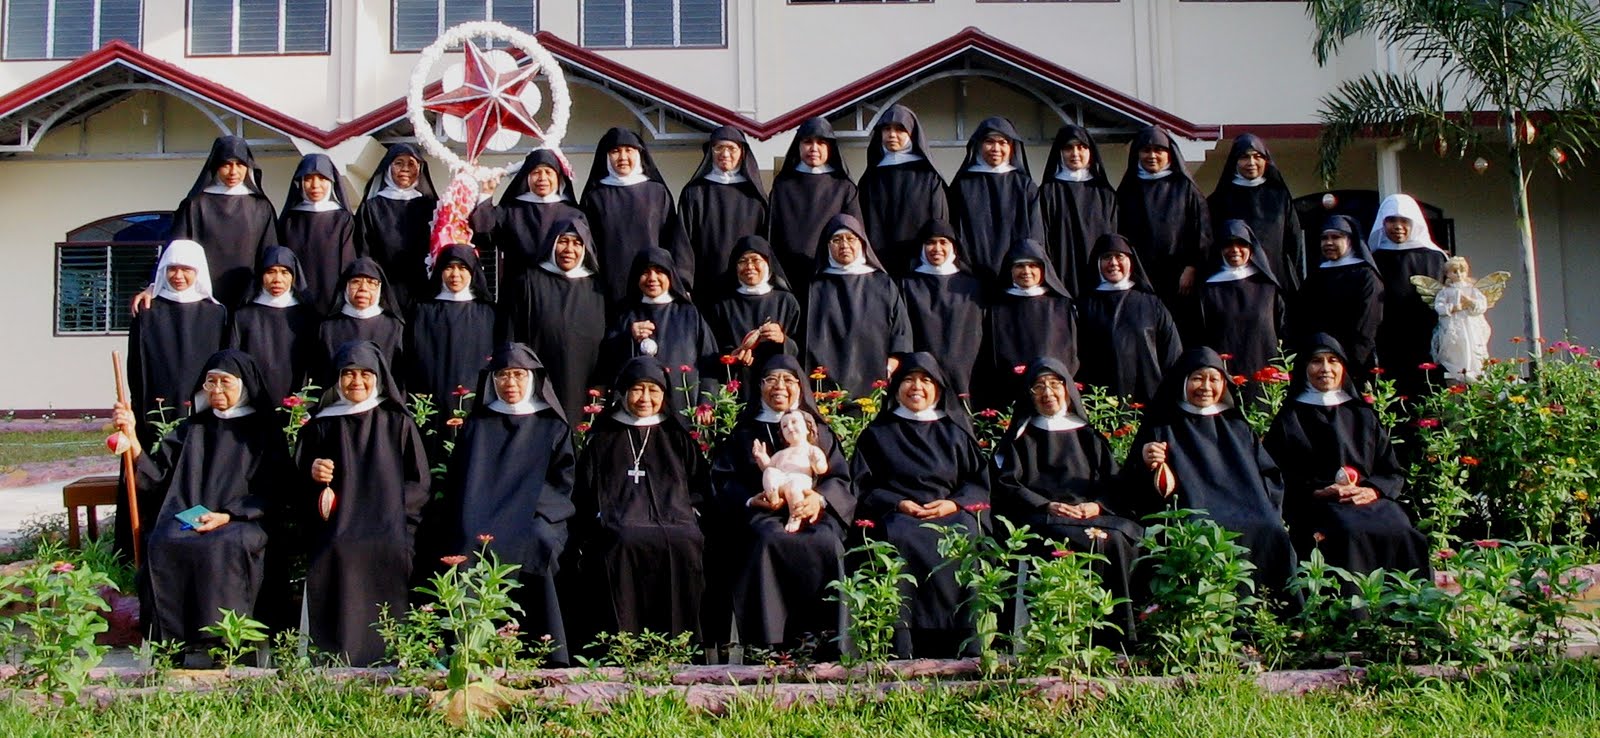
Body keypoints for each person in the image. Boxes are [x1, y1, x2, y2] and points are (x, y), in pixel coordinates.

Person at [112, 350, 287, 645]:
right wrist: (132, 439)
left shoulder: (263, 432)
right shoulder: (191, 429)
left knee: (224, 545)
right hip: (189, 515)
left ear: (244, 385)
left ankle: (230, 642)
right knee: (164, 540)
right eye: (210, 382)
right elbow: (156, 480)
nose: (217, 390)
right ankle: (173, 642)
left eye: (225, 382)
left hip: (244, 520)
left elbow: (277, 488)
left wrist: (228, 515)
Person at [297, 340, 431, 666]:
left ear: (378, 377)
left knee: (389, 545)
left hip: (390, 521)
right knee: (338, 547)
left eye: (365, 374)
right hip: (338, 523)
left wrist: (397, 515)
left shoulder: (398, 423)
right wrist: (312, 471)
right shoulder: (322, 424)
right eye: (348, 374)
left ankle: (391, 652)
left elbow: (419, 482)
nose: (356, 382)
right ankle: (336, 653)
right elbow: (297, 479)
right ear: (337, 379)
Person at [709, 355, 854, 656]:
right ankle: (768, 645)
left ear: (801, 388)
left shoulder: (821, 434)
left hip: (814, 514)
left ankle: (826, 643)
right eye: (771, 380)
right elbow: (723, 482)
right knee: (766, 540)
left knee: (826, 542)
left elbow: (840, 478)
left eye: (788, 380)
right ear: (758, 387)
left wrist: (819, 499)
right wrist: (751, 500)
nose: (780, 387)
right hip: (764, 516)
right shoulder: (744, 434)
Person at [442, 343, 577, 664]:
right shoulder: (476, 427)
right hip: (481, 517)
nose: (510, 383)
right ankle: (470, 651)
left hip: (535, 515)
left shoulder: (553, 426)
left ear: (532, 379)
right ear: (492, 381)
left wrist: (525, 513)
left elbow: (562, 485)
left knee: (539, 542)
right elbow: (459, 484)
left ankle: (545, 651)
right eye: (502, 375)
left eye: (518, 374)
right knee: (465, 542)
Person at [1125, 348, 1296, 598]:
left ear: (1223, 384)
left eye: (1214, 379)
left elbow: (1269, 473)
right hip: (1193, 509)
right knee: (1197, 531)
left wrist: (1267, 506)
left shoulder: (1237, 425)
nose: (1206, 386)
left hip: (1246, 507)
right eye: (1197, 378)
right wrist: (1145, 460)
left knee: (1271, 528)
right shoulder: (1162, 426)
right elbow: (1131, 484)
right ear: (1183, 381)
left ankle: (1269, 611)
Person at [992, 358, 1142, 641]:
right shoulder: (1021, 440)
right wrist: (1047, 504)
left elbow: (1114, 483)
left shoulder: (1089, 436)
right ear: (1030, 395)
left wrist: (1096, 505)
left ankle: (1120, 634)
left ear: (1067, 389)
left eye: (1054, 384)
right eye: (1038, 386)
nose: (1047, 393)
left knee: (1120, 535)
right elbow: (1007, 484)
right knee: (1084, 537)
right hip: (1042, 516)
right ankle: (1072, 634)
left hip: (1090, 514)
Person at [852, 352, 989, 658]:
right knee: (900, 537)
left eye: (926, 380)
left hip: (949, 512)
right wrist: (899, 503)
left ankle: (965, 642)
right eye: (909, 379)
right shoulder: (877, 433)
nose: (917, 387)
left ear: (938, 388)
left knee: (965, 533)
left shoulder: (955, 431)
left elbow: (977, 482)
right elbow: (863, 485)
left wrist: (953, 505)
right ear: (897, 387)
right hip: (899, 515)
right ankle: (902, 643)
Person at [1263, 335, 1431, 577]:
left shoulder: (1363, 415)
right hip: (1316, 505)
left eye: (1333, 360)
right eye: (1316, 361)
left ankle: (1406, 606)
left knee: (1402, 529)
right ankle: (1356, 611)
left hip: (1367, 500)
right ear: (1304, 368)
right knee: (1349, 531)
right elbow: (1275, 476)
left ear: (1343, 368)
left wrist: (1373, 490)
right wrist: (1317, 492)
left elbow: (1391, 470)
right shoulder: (1289, 419)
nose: (1325, 369)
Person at [571, 356, 709, 645]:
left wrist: (692, 512)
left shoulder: (677, 436)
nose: (645, 398)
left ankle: (680, 644)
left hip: (675, 519)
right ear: (624, 392)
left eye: (653, 390)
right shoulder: (603, 437)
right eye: (637, 389)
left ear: (664, 394)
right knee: (622, 539)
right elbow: (584, 490)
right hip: (618, 521)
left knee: (685, 540)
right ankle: (622, 644)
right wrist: (598, 515)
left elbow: (699, 486)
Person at [121, 239, 228, 556]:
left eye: (186, 269)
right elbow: (135, 367)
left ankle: (190, 537)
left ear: (199, 272)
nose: (179, 275)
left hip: (199, 411)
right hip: (154, 407)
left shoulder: (217, 314)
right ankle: (139, 548)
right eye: (172, 269)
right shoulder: (148, 310)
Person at [497, 216, 607, 421]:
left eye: (576, 243)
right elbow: (511, 331)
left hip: (585, 380)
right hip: (540, 377)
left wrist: (601, 381)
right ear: (551, 244)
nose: (569, 249)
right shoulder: (528, 282)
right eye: (563, 241)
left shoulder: (598, 288)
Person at [1116, 126, 1211, 343]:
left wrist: (1192, 266)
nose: (1152, 156)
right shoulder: (1128, 189)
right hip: (1141, 275)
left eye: (1158, 150)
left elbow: (1201, 230)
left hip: (1179, 276)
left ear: (1169, 154)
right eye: (1146, 150)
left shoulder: (1185, 187)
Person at [803, 214, 912, 398]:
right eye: (836, 239)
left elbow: (901, 333)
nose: (844, 245)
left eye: (850, 238)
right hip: (824, 388)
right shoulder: (815, 287)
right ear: (828, 246)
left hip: (874, 382)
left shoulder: (883, 283)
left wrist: (888, 367)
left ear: (862, 243)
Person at [580, 127, 691, 306]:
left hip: (654, 283)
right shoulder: (595, 197)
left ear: (639, 154)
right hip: (609, 287)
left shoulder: (657, 192)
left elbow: (673, 239)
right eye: (615, 151)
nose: (623, 157)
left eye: (629, 150)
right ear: (606, 156)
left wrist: (679, 281)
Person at [168, 135, 280, 307]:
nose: (233, 172)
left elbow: (270, 256)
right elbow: (175, 254)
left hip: (249, 299)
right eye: (226, 164)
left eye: (240, 164)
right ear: (215, 166)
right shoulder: (195, 205)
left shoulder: (261, 207)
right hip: (202, 300)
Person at [603, 248, 720, 409]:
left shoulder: (690, 314)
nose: (652, 278)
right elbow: (606, 362)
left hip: (684, 407)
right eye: (645, 272)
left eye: (659, 271)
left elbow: (709, 363)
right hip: (638, 408)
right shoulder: (625, 313)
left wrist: (707, 403)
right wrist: (627, 337)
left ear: (670, 275)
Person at [404, 244, 497, 444]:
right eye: (449, 267)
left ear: (473, 271)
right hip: (431, 399)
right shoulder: (421, 311)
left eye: (463, 268)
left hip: (475, 401)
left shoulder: (489, 313)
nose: (455, 274)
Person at [1076, 234, 1182, 406]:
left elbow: (1172, 351)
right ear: (1097, 263)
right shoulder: (1084, 306)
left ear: (1131, 262)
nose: (1113, 263)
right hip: (1102, 403)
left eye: (1119, 256)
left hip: (1150, 397)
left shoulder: (1152, 303)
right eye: (1106, 257)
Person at [472, 148, 582, 305]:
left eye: (548, 172)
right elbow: (484, 236)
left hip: (560, 296)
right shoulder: (511, 211)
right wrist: (486, 194)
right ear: (526, 177)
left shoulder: (574, 215)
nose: (542, 178)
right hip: (518, 296)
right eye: (536, 172)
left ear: (559, 178)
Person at [767, 117, 862, 298]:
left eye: (821, 142)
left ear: (830, 148)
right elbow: (772, 233)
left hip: (830, 275)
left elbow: (854, 236)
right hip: (788, 277)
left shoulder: (844, 187)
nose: (814, 148)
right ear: (798, 145)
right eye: (807, 142)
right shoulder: (783, 185)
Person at [980, 239, 1078, 410]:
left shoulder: (1063, 306)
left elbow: (1072, 352)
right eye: (1019, 266)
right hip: (1008, 394)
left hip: (1052, 394)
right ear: (1010, 270)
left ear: (1043, 269)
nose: (1026, 271)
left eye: (1033, 266)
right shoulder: (995, 309)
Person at [948, 116, 1044, 287]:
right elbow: (953, 232)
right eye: (989, 142)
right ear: (978, 145)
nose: (996, 148)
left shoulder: (1024, 186)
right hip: (970, 279)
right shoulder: (962, 186)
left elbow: (1035, 235)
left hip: (1014, 279)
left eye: (1003, 142)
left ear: (1012, 147)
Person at [679, 126, 769, 305]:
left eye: (731, 148)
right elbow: (683, 240)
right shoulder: (695, 192)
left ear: (742, 152)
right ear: (710, 152)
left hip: (747, 283)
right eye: (719, 148)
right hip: (706, 282)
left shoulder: (755, 197)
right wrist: (684, 282)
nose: (725, 154)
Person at [1370, 193, 1449, 396]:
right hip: (1387, 341)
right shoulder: (1373, 258)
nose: (1398, 226)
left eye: (1404, 220)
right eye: (1391, 220)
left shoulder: (1434, 257)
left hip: (1425, 340)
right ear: (1382, 223)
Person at [896, 219, 985, 398]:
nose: (937, 248)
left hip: (965, 373)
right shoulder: (906, 285)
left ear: (953, 247)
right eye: (930, 242)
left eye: (943, 242)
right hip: (922, 374)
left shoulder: (972, 286)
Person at [857, 105, 949, 277]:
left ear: (912, 134)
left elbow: (939, 224)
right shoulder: (870, 179)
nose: (892, 135)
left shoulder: (929, 177)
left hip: (921, 267)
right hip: (880, 267)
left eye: (900, 129)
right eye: (887, 129)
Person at [1197, 220, 1286, 397]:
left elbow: (1285, 331)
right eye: (1228, 244)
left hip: (1265, 377)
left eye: (1241, 243)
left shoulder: (1269, 288)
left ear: (1251, 248)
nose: (1235, 249)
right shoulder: (1208, 291)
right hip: (1224, 377)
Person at [1207, 134, 1304, 293]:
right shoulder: (1220, 199)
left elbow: (1294, 242)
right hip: (1234, 284)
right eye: (1244, 157)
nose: (1251, 163)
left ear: (1266, 160)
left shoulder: (1280, 197)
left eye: (1257, 156)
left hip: (1276, 279)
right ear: (1234, 161)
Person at [228, 245, 320, 408]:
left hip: (295, 399)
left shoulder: (308, 316)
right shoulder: (243, 316)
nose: (277, 279)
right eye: (270, 272)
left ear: (294, 276)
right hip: (253, 400)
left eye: (285, 272)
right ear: (261, 275)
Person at [1294, 215, 1383, 381]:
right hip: (1320, 363)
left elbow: (1367, 324)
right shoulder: (1316, 276)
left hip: (1355, 362)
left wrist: (1348, 360)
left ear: (1350, 240)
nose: (1328, 243)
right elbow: (1302, 318)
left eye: (1336, 237)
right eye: (1324, 238)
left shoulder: (1366, 275)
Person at [706, 236, 801, 390]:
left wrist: (783, 340)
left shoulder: (786, 302)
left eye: (756, 260)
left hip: (778, 387)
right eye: (742, 261)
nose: (749, 266)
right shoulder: (722, 305)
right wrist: (733, 356)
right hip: (739, 386)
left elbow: (802, 347)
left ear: (768, 264)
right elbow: (712, 349)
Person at [356, 143, 439, 311]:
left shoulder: (431, 207)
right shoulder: (371, 208)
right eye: (399, 163)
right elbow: (363, 250)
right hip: (384, 287)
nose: (405, 169)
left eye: (411, 163)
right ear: (388, 168)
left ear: (420, 168)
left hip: (422, 288)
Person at [1038, 124, 1119, 294]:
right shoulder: (1048, 192)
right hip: (1060, 274)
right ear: (1060, 153)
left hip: (1099, 278)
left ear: (1091, 152)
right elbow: (1042, 238)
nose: (1075, 153)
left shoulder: (1105, 193)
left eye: (1082, 147)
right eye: (1068, 148)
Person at [278, 153, 357, 314]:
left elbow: (348, 264)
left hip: (333, 303)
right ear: (300, 182)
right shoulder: (289, 220)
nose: (315, 185)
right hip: (294, 304)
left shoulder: (343, 220)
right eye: (308, 178)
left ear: (332, 182)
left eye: (322, 178)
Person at [316, 258, 405, 390]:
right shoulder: (328, 327)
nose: (363, 289)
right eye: (356, 282)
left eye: (371, 283)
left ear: (380, 289)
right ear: (345, 287)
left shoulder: (394, 327)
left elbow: (400, 375)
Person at [1431, 256, 1494, 382]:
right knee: (1456, 345)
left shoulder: (1472, 290)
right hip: (1454, 325)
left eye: (1462, 270)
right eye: (1455, 271)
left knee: (1472, 344)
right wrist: (1453, 307)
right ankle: (1459, 368)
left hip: (1470, 324)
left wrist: (1470, 302)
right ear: (1448, 274)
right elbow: (1439, 307)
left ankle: (1475, 369)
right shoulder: (1445, 292)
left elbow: (1482, 305)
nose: (1459, 274)